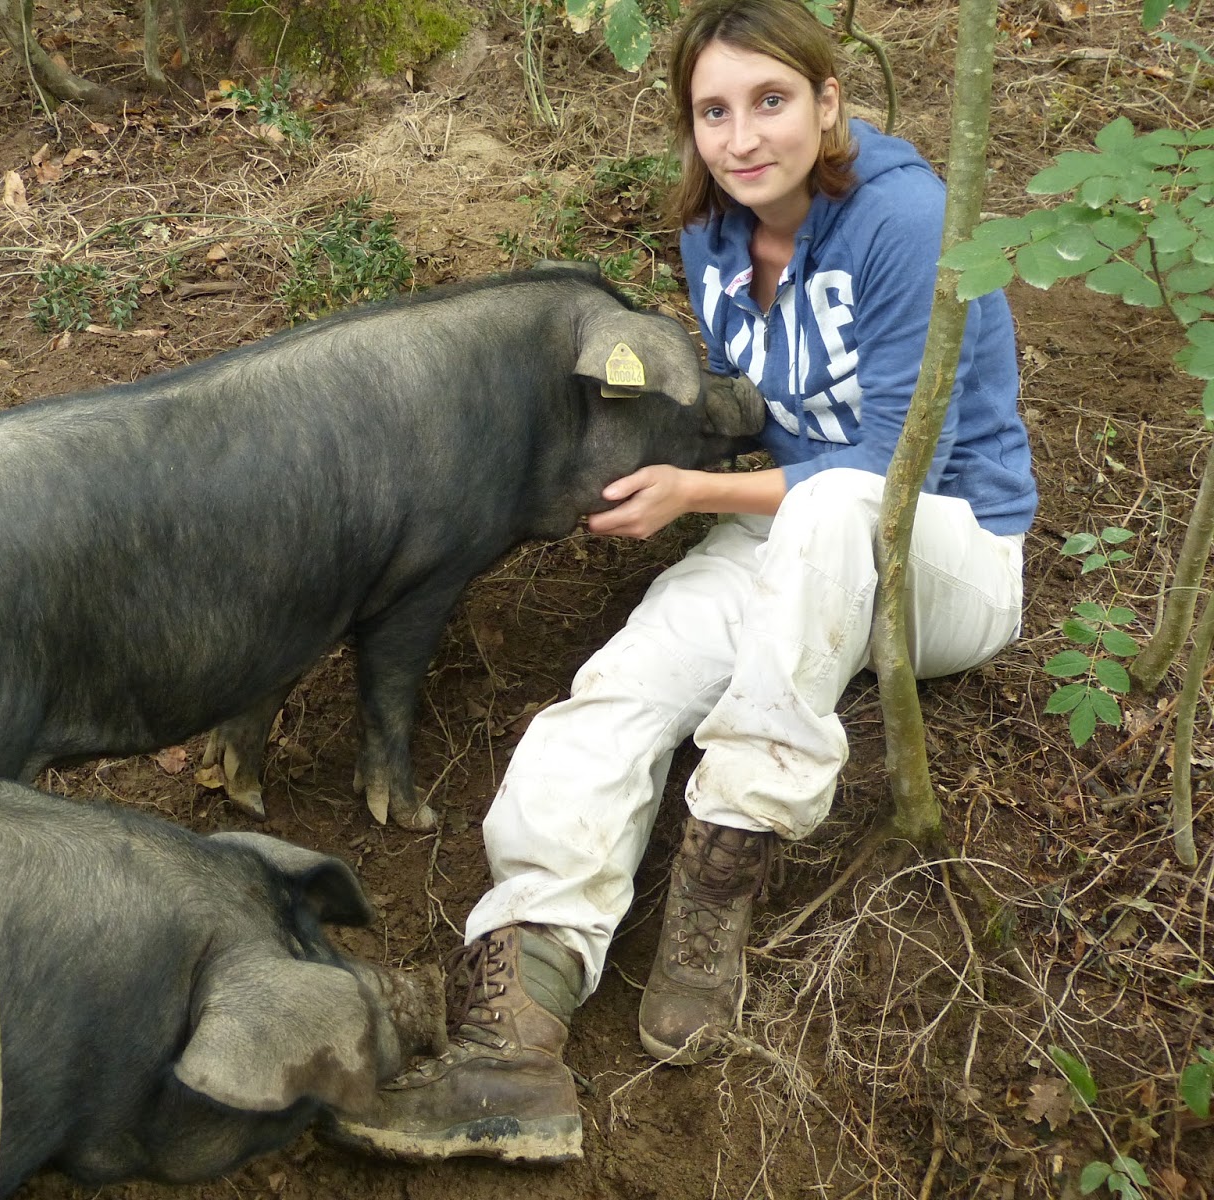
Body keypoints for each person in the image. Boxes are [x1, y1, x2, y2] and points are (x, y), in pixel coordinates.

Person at [326, 0, 1037, 1166]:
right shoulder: (709, 244)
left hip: (942, 552)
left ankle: (724, 863)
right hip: (797, 541)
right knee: (619, 686)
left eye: (770, 101)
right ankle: (521, 1003)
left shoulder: (906, 220)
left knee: (832, 505)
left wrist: (692, 494)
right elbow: (763, 424)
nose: (741, 136)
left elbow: (881, 470)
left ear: (829, 103)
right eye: (714, 111)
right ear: (688, 126)